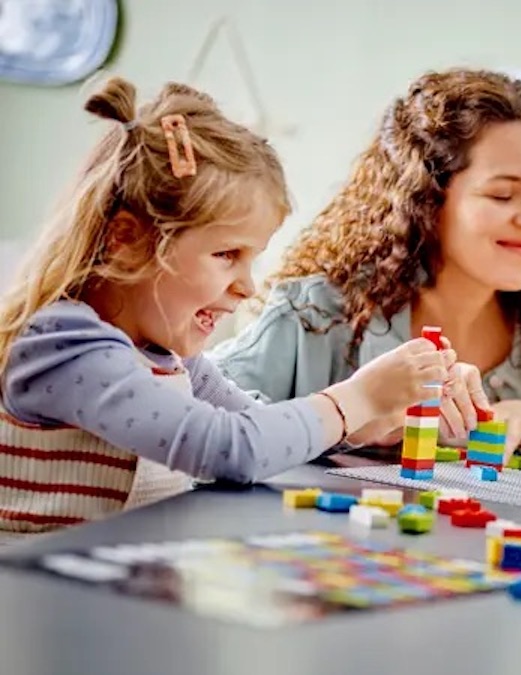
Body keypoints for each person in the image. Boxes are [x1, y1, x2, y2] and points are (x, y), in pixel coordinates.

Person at [0, 77, 483, 539]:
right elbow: (228, 446)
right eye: (226, 255)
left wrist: (361, 428)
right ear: (127, 241)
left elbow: (257, 422)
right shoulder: (65, 345)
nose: (246, 288)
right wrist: (356, 399)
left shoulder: (169, 355)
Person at [211, 68, 521, 473]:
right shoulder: (315, 315)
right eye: (502, 194)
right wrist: (348, 416)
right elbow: (197, 421)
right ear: (427, 199)